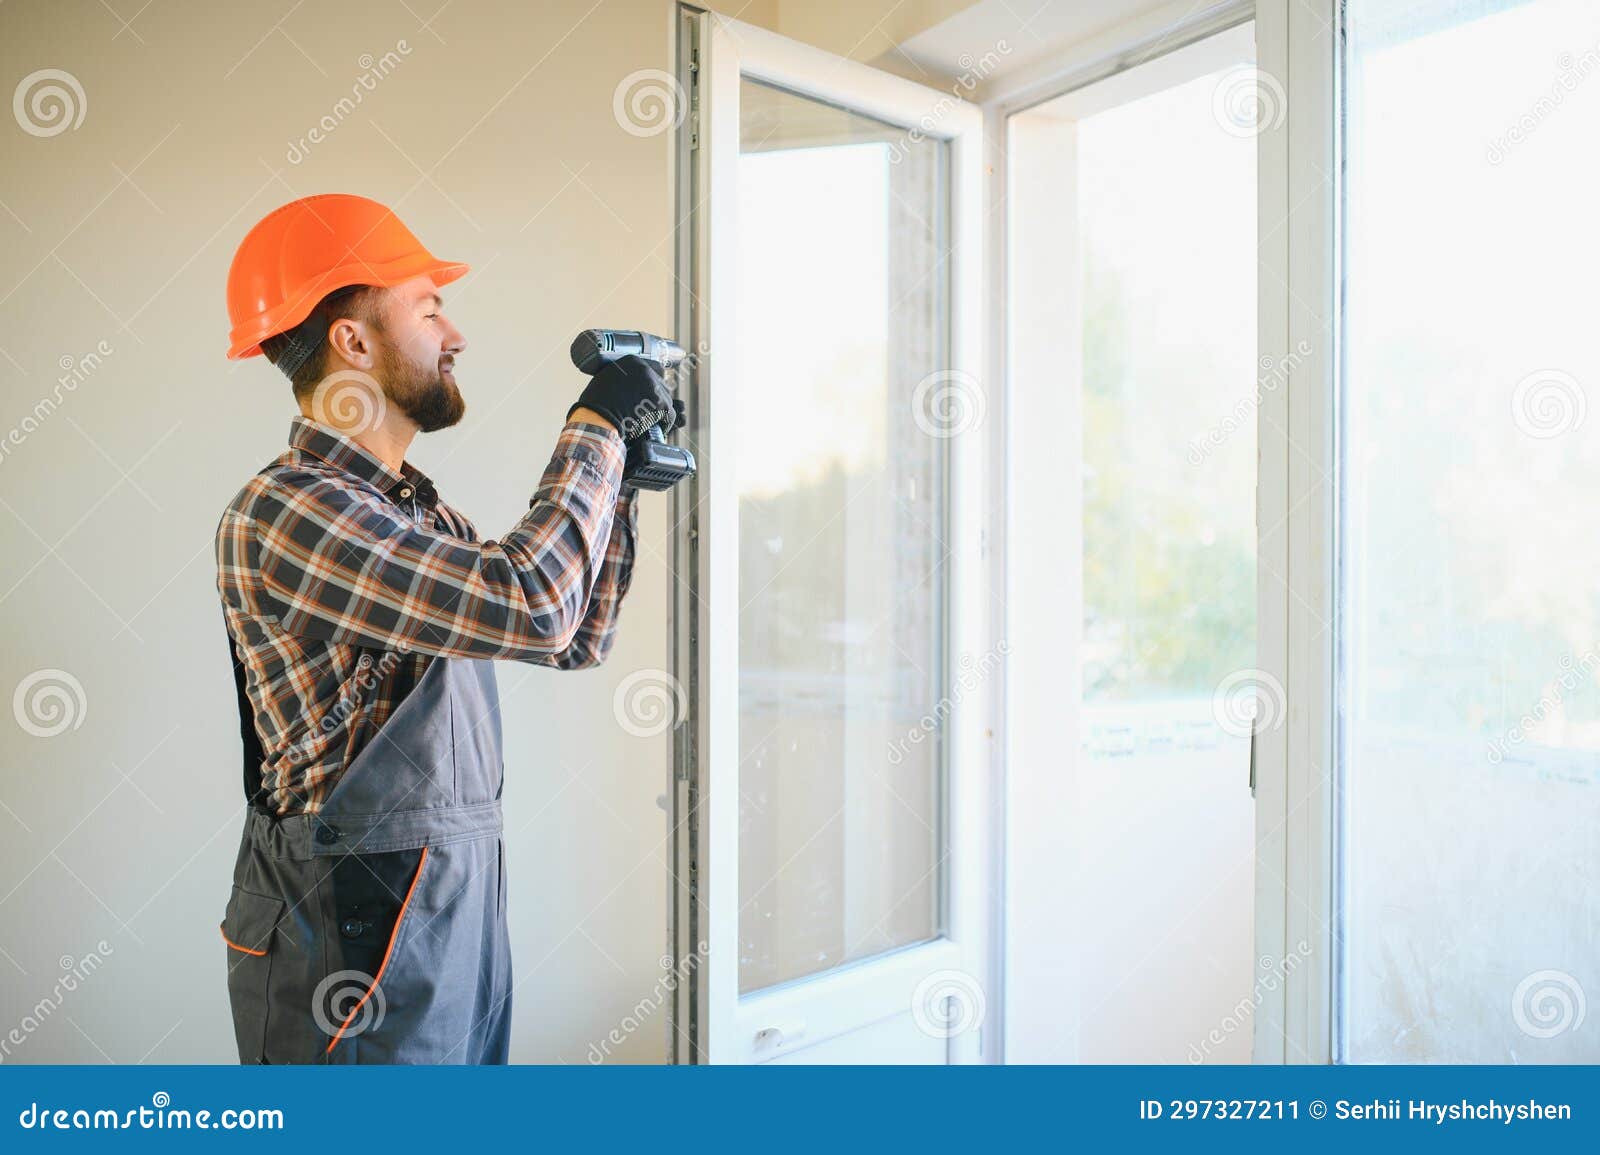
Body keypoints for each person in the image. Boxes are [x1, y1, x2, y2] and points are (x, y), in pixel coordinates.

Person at [213, 193, 678, 1064]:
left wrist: (617, 486)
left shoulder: (416, 515)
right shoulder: (289, 509)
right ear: (353, 342)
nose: (454, 333)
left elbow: (572, 634)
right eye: (429, 309)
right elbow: (532, 602)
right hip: (348, 928)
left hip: (446, 909)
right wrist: (594, 430)